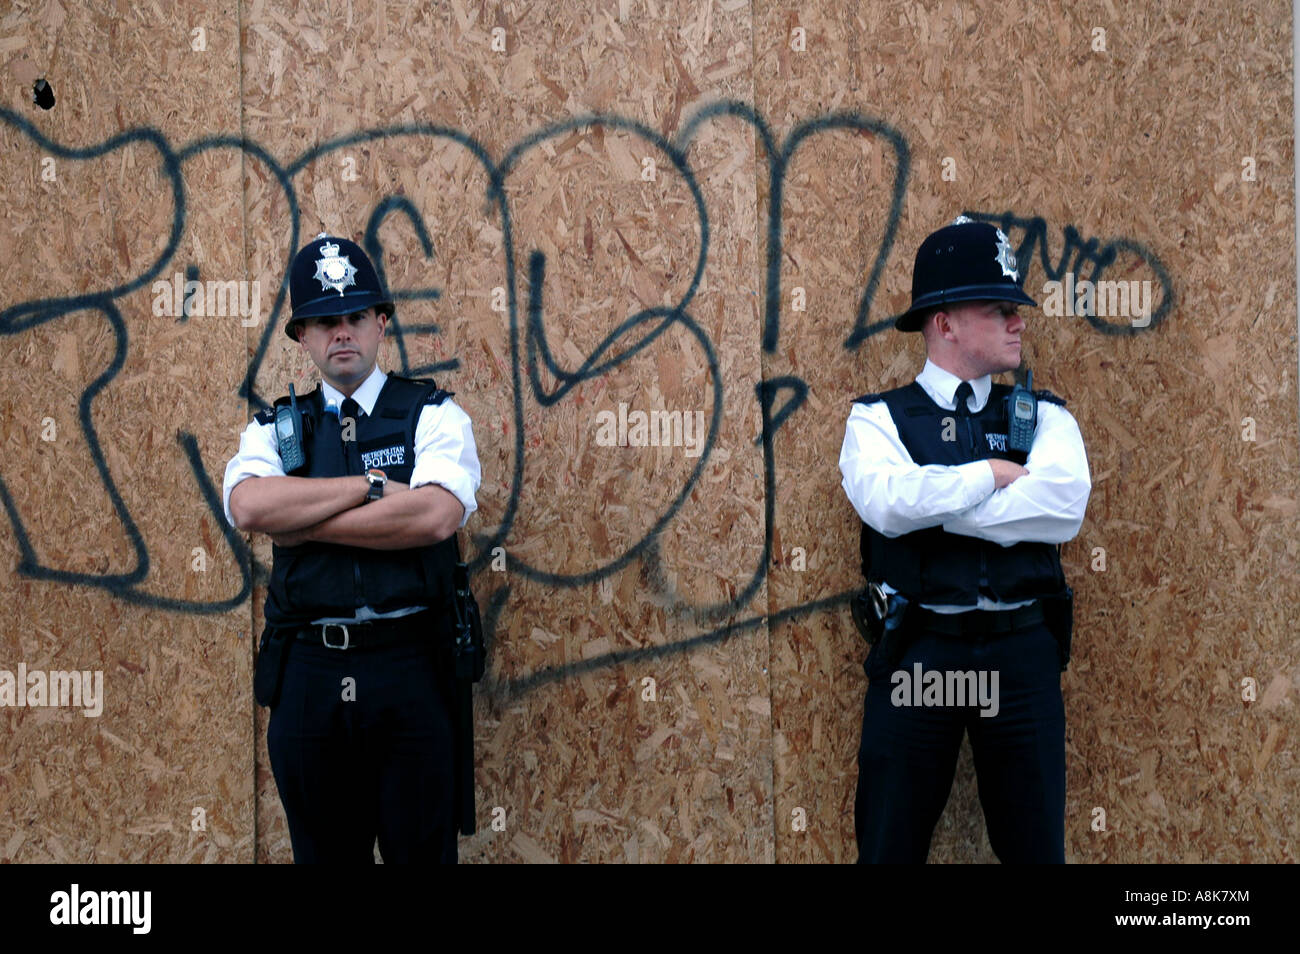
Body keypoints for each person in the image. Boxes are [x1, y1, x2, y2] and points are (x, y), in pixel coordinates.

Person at [838, 216, 1091, 863]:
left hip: (1021, 657)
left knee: (1036, 852)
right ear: (945, 322)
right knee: (888, 848)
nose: (1019, 322)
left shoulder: (1046, 416)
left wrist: (935, 499)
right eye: (999, 308)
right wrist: (990, 475)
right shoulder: (877, 419)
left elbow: (1062, 507)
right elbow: (884, 502)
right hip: (922, 652)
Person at [223, 233, 481, 863]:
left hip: (411, 668)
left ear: (381, 324)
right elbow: (250, 507)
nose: (342, 332)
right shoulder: (272, 428)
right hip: (310, 674)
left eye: (356, 316)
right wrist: (368, 488)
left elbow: (434, 516)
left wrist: (302, 522)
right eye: (324, 321)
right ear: (303, 338)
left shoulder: (433, 414)